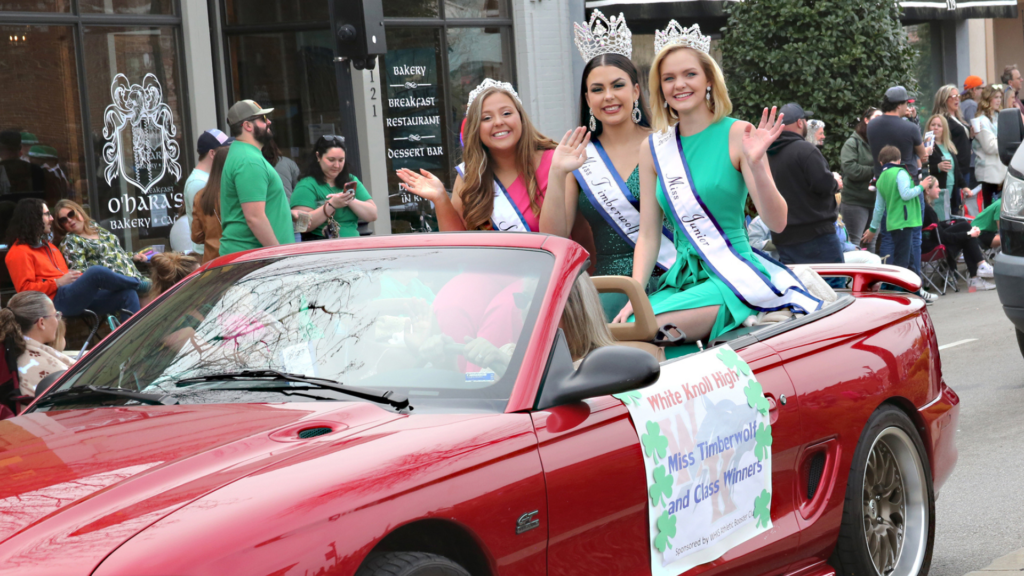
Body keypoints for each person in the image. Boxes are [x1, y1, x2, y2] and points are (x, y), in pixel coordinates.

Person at [611, 21, 820, 349]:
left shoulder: (739, 134)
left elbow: (777, 221)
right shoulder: (654, 148)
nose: (679, 84)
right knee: (624, 334)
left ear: (709, 79)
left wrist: (757, 165)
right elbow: (649, 235)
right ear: (660, 87)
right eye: (669, 78)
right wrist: (635, 294)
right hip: (680, 280)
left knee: (639, 334)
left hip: (732, 275)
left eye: (689, 74)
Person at [539, 10, 666, 318]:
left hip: (672, 276)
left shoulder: (666, 144)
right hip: (611, 290)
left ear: (636, 91)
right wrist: (557, 173)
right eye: (597, 89)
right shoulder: (580, 157)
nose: (608, 96)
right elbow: (554, 236)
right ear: (588, 99)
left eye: (618, 85)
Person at [395, 79, 557, 232]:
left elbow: (577, 238)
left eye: (506, 113)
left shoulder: (555, 163)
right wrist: (440, 199)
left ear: (521, 118)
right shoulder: (469, 176)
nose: (499, 122)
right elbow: (458, 245)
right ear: (475, 128)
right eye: (486, 118)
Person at [4, 199, 141, 318]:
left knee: (128, 294)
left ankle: (133, 343)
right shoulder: (18, 252)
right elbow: (24, 293)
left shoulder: (50, 247)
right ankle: (139, 284)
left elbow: (67, 277)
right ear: (33, 218)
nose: (51, 218)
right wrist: (57, 283)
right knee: (96, 272)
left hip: (71, 296)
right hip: (52, 302)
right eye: (47, 214)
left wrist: (79, 279)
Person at [765, 102, 842, 264]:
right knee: (831, 286)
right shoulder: (805, 150)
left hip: (783, 237)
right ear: (800, 123)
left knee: (799, 287)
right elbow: (823, 185)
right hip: (816, 235)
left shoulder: (766, 154)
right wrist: (835, 182)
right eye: (805, 120)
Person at [219, 99, 295, 256]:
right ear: (247, 125)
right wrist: (280, 257)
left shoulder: (243, 154)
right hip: (254, 261)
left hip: (251, 259)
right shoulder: (249, 161)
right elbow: (255, 218)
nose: (270, 122)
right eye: (263, 119)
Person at [863, 146, 938, 275]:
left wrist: (873, 228)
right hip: (905, 221)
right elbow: (906, 194)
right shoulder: (900, 172)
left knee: (909, 261)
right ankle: (900, 290)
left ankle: (915, 291)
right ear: (899, 161)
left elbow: (879, 207)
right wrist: (921, 186)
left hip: (894, 223)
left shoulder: (880, 178)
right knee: (903, 262)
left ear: (881, 163)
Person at [290, 135, 377, 240]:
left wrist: (348, 199)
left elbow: (372, 215)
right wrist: (332, 205)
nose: (336, 165)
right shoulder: (307, 185)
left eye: (341, 160)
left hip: (354, 244)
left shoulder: (350, 180)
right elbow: (302, 225)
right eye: (331, 160)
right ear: (318, 156)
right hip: (323, 247)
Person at [52, 199, 149, 293]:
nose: (69, 220)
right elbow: (81, 276)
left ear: (79, 211)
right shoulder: (70, 241)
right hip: (116, 289)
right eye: (63, 220)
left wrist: (132, 256)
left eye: (71, 214)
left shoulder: (94, 227)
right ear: (61, 225)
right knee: (155, 290)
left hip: (135, 278)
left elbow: (113, 250)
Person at [920, 185, 995, 292]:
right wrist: (968, 234)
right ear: (928, 190)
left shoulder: (928, 207)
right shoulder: (927, 210)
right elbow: (942, 236)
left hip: (935, 240)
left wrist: (965, 232)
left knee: (964, 227)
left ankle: (979, 271)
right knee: (966, 232)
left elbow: (940, 228)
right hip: (932, 246)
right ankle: (977, 272)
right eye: (937, 187)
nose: (939, 190)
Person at [0, 291, 74, 397]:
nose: (58, 320)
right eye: (56, 315)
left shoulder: (10, 351)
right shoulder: (47, 367)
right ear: (41, 323)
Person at [184, 129, 233, 257]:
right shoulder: (198, 183)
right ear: (212, 153)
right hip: (209, 252)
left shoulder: (206, 179)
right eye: (226, 149)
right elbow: (203, 229)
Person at [868, 86, 929, 179]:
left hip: (882, 182)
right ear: (899, 105)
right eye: (906, 103)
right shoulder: (910, 128)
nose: (907, 106)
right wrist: (928, 150)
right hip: (907, 183)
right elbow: (923, 156)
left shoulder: (871, 124)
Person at [841, 107, 882, 242]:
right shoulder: (852, 143)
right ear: (866, 120)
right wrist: (875, 170)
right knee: (855, 242)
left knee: (871, 243)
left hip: (876, 201)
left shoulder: (881, 142)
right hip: (855, 201)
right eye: (876, 118)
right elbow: (851, 169)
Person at [929, 85, 972, 216]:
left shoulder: (957, 117)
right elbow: (925, 166)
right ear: (944, 99)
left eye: (957, 96)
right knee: (945, 210)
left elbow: (959, 141)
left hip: (960, 166)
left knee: (956, 207)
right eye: (952, 96)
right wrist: (937, 167)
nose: (956, 99)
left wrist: (971, 137)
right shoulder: (942, 119)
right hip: (949, 170)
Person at [925, 115, 968, 221]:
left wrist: (964, 186)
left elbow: (956, 170)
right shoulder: (926, 146)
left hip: (952, 190)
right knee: (940, 220)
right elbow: (923, 169)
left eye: (939, 125)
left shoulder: (949, 146)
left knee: (951, 218)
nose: (935, 128)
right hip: (937, 192)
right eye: (933, 125)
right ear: (928, 127)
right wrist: (937, 167)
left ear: (944, 129)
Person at [191, 147, 229, 264]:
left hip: (212, 262)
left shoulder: (201, 195)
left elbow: (196, 236)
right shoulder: (238, 193)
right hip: (237, 259)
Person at [974, 84, 1006, 208]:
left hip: (1002, 171)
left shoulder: (999, 117)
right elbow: (990, 146)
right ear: (987, 99)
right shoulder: (982, 120)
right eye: (995, 97)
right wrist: (1006, 142)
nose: (999, 100)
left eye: (1000, 97)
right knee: (991, 210)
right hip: (989, 173)